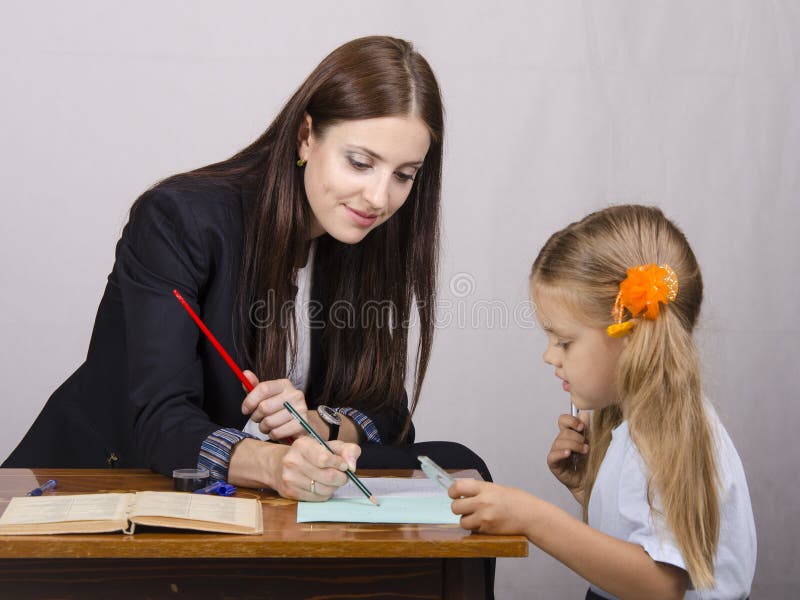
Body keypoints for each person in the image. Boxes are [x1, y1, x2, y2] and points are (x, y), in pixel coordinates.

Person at [4, 36, 490, 502]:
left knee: (461, 467)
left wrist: (317, 425)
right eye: (360, 163)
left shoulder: (364, 237)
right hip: (97, 483)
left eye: (404, 175)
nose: (380, 198)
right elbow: (159, 420)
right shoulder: (179, 220)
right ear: (305, 137)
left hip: (245, 500)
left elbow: (387, 414)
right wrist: (276, 465)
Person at [449, 205, 756, 599]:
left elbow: (660, 586)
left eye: (564, 341)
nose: (550, 356)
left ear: (628, 337)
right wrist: (588, 491)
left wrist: (532, 518)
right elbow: (641, 543)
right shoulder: (636, 421)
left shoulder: (668, 430)